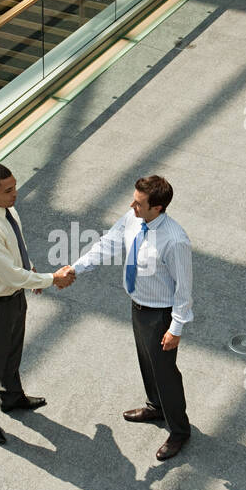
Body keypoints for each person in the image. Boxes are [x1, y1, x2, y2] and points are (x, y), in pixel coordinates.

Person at [66, 174, 192, 461]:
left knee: (165, 373)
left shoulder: (175, 241)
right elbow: (107, 245)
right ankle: (156, 406)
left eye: (138, 203)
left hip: (160, 315)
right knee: (147, 363)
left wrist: (176, 328)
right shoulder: (133, 219)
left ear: (157, 207)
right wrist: (75, 268)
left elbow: (185, 289)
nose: (132, 206)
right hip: (137, 306)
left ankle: (180, 431)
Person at [0, 162, 73, 444]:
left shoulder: (4, 208)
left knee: (12, 352)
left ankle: (13, 397)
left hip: (13, 295)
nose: (15, 193)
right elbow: (10, 274)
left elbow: (15, 249)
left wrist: (32, 271)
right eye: (8, 190)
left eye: (15, 186)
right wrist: (51, 279)